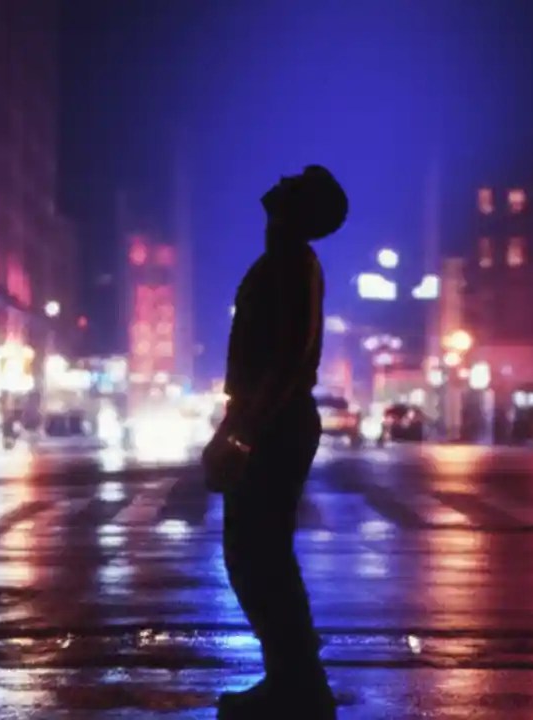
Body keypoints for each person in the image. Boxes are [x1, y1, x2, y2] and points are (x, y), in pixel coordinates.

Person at [203, 165, 347, 718]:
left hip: (276, 422)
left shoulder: (291, 264)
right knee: (258, 556)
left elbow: (285, 358)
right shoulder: (285, 261)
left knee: (258, 556)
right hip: (274, 418)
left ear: (299, 208)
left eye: (295, 182)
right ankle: (291, 679)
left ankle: (298, 685)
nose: (280, 180)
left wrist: (242, 425)